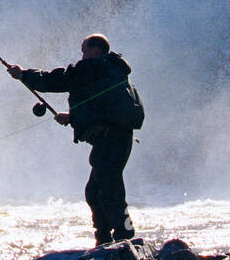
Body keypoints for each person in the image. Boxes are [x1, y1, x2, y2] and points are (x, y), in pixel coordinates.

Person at [8, 34, 138, 247]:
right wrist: (72, 117)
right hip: (120, 137)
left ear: (95, 51)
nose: (82, 55)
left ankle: (122, 235)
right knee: (97, 190)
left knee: (106, 188)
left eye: (84, 51)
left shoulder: (92, 67)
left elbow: (55, 80)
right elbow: (102, 104)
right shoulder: (114, 69)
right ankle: (106, 238)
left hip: (109, 139)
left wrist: (22, 74)